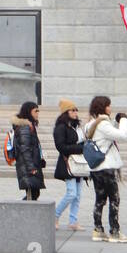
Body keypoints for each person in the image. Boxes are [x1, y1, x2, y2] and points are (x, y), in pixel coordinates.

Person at [85, 96, 127, 243]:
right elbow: (123, 135)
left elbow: (108, 136)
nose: (110, 108)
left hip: (96, 168)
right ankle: (115, 232)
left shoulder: (90, 124)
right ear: (103, 107)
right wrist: (123, 120)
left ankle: (98, 230)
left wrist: (115, 123)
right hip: (106, 167)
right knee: (114, 199)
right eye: (108, 106)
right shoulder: (103, 125)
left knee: (100, 199)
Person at [53, 98, 85, 229]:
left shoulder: (75, 127)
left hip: (79, 164)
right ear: (66, 112)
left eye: (76, 109)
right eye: (72, 110)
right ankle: (54, 216)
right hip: (68, 163)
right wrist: (80, 148)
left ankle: (73, 221)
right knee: (71, 193)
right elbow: (61, 146)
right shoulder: (60, 127)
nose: (75, 112)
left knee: (77, 195)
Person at [12, 100, 46, 201]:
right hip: (27, 167)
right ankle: (20, 214)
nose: (38, 113)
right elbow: (25, 149)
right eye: (35, 111)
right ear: (28, 112)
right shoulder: (25, 128)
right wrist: (31, 168)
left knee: (34, 194)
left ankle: (23, 214)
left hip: (31, 164)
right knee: (32, 194)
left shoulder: (29, 126)